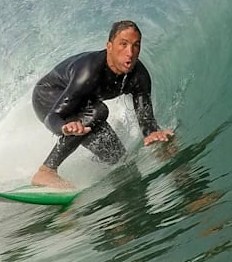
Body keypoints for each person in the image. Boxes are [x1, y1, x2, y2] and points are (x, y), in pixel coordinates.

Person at [30, 20, 175, 189]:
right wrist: (63, 127)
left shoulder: (139, 76)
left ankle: (121, 201)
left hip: (85, 107)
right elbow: (53, 117)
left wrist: (153, 134)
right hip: (48, 97)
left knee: (120, 161)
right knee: (99, 111)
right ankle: (46, 171)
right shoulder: (89, 71)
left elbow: (146, 121)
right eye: (123, 44)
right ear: (109, 46)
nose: (130, 53)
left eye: (136, 45)